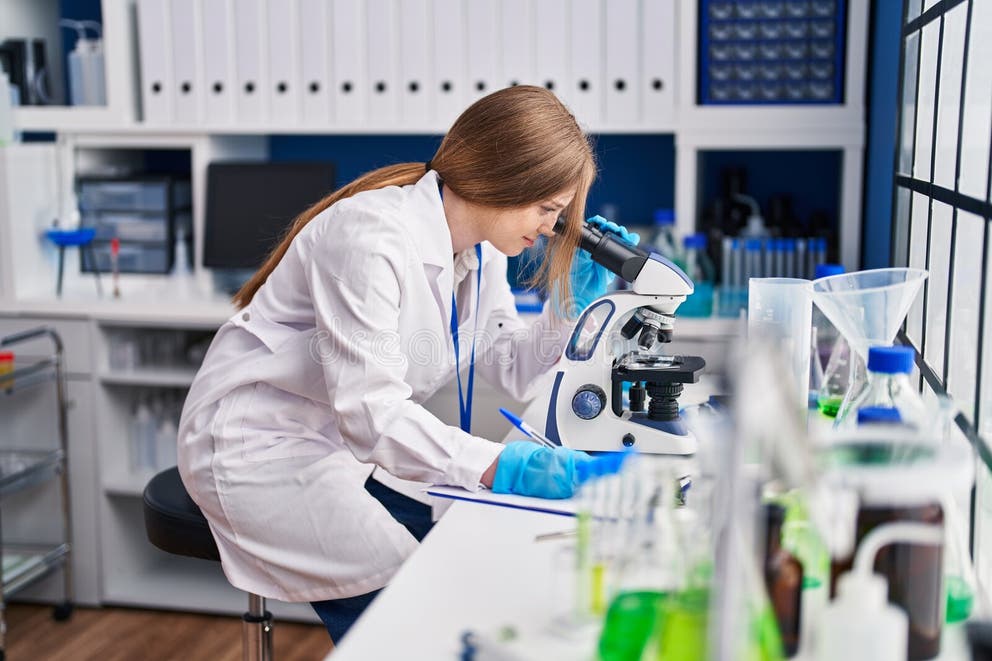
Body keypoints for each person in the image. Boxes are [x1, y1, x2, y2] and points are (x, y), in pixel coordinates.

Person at [176, 85, 638, 643]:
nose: (549, 228)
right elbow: (372, 415)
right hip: (257, 449)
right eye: (548, 210)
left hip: (344, 446)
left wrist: (569, 309)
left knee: (459, 551)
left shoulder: (481, 251)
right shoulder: (368, 238)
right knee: (415, 612)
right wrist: (507, 467)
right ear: (503, 179)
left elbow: (511, 368)